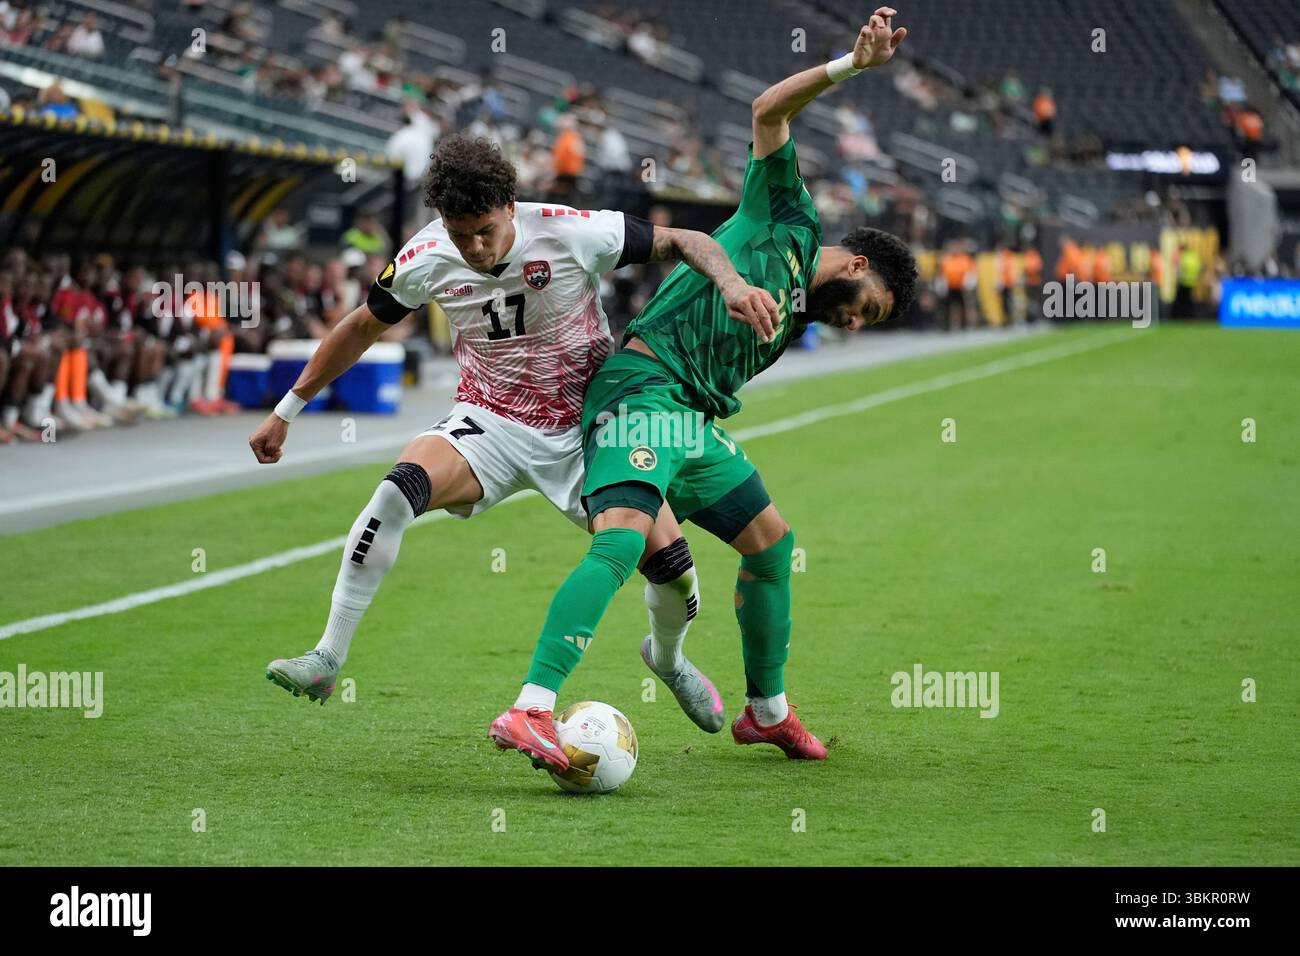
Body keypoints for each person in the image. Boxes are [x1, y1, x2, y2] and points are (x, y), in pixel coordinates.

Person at [489, 7, 918, 770]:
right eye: (868, 311)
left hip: (691, 420)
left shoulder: (792, 322)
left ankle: (767, 712)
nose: (856, 326)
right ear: (855, 267)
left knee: (772, 544)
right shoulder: (787, 219)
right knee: (620, 539)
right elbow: (767, 110)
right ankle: (531, 707)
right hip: (640, 388)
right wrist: (851, 67)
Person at [249, 134, 780, 721]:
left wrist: (732, 285)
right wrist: (286, 410)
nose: (475, 248)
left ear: (510, 205)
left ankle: (669, 659)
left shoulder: (571, 231)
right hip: (490, 421)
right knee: (396, 490)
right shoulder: (424, 256)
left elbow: (686, 239)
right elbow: (359, 328)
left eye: (486, 231)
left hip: (590, 428)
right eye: (461, 234)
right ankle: (327, 656)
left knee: (674, 574)